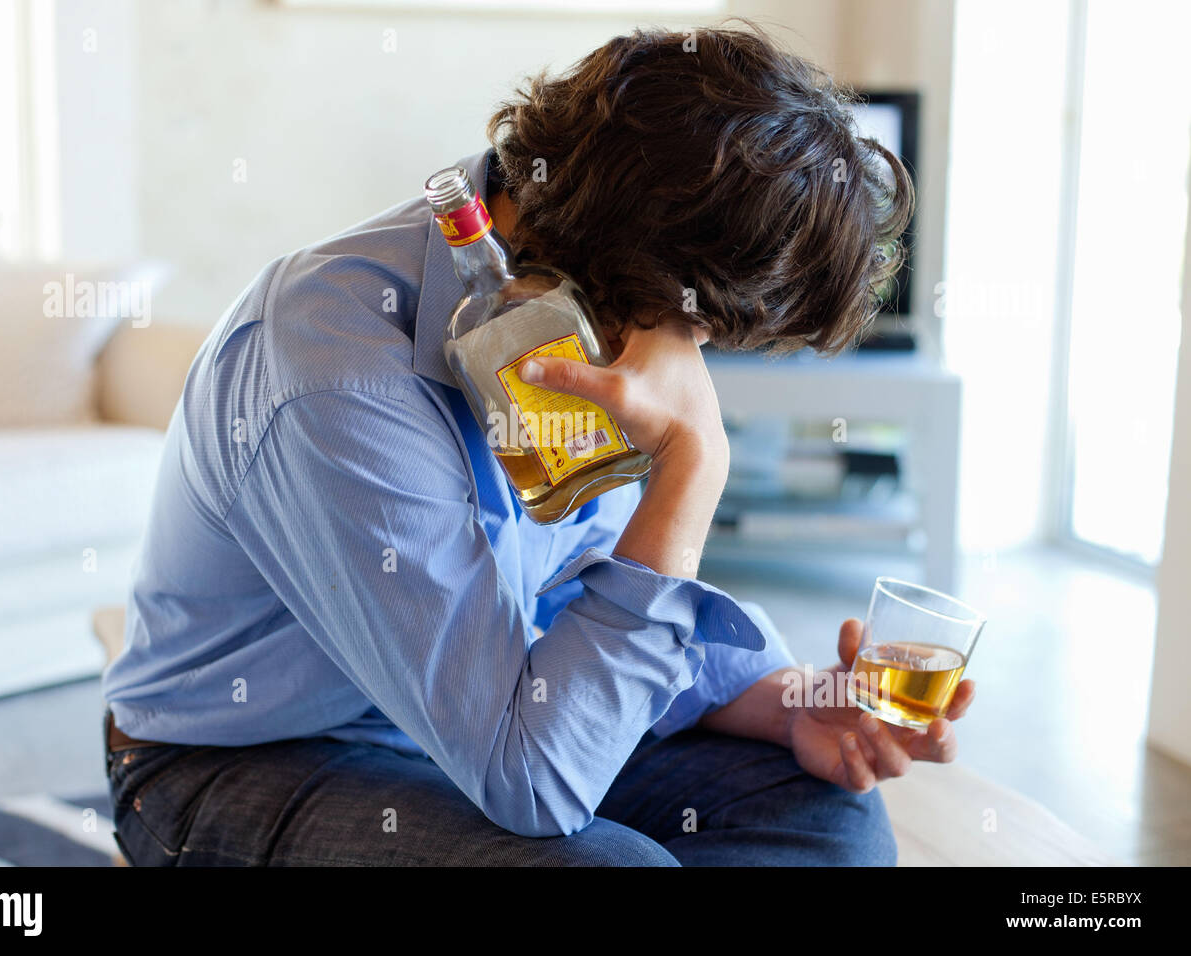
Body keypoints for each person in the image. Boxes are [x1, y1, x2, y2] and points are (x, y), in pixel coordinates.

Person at [101, 20, 973, 866]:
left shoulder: (564, 299)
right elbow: (533, 781)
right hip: (234, 761)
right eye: (701, 333)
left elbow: (581, 589)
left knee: (825, 823)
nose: (695, 364)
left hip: (487, 708)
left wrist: (784, 704)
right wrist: (693, 466)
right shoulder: (335, 372)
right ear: (641, 280)